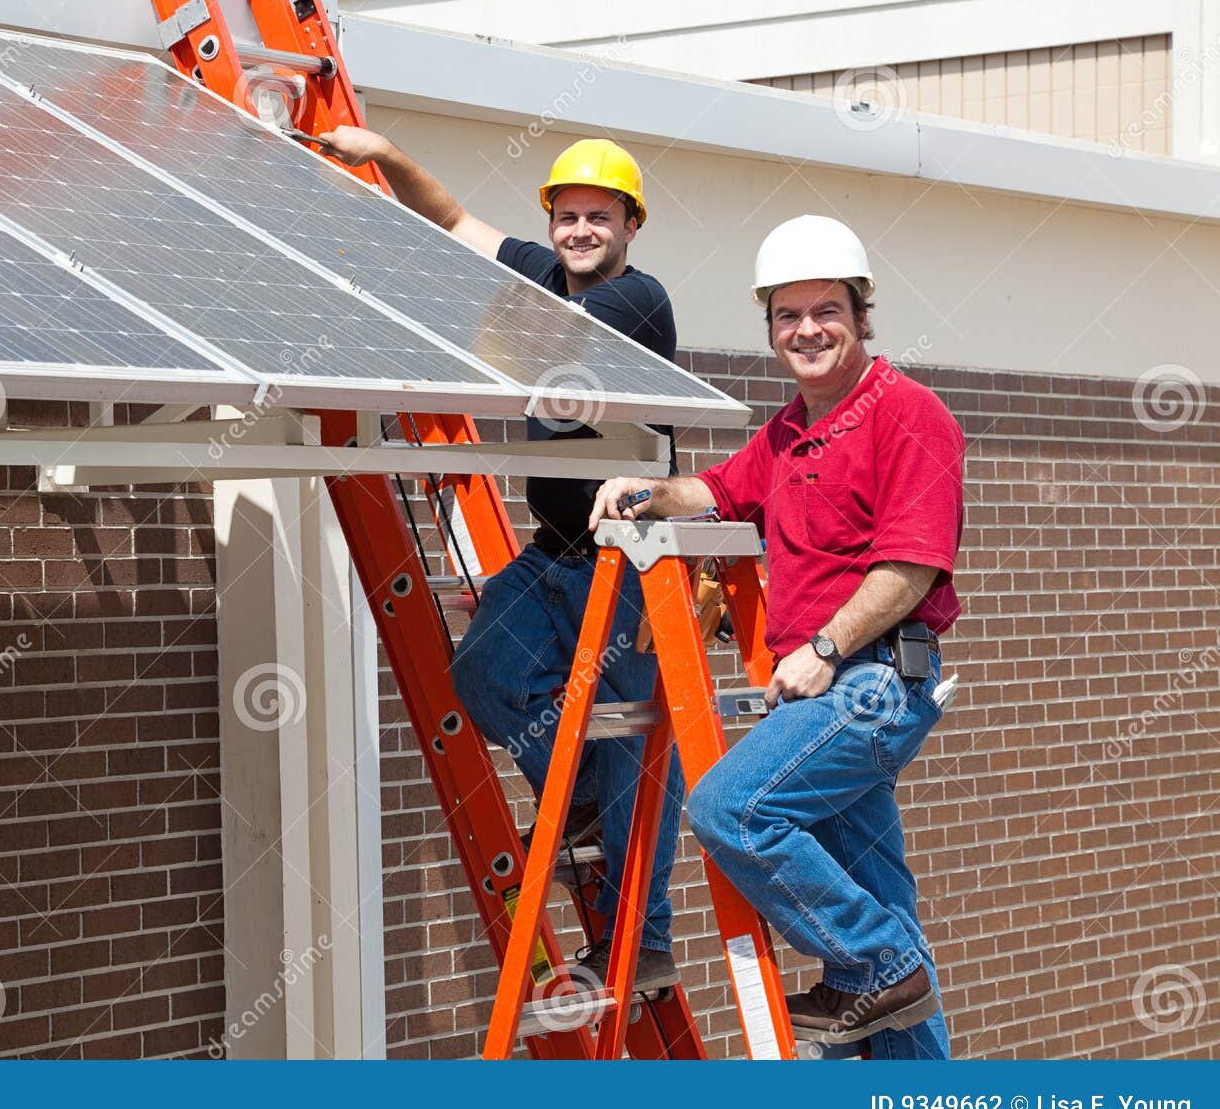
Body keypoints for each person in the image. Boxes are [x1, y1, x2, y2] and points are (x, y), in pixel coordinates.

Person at [315, 126, 685, 992]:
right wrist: (383, 152)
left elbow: (526, 343)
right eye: (567, 214)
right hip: (555, 551)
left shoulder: (638, 300)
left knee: (638, 753)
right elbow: (452, 221)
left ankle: (647, 940)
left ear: (631, 226)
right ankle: (579, 788)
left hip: (629, 564)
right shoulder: (543, 271)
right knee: (483, 670)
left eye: (600, 216)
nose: (580, 229)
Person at [589, 214, 964, 1058]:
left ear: (862, 315)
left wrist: (824, 647)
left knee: (733, 806)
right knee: (880, 908)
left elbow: (910, 570)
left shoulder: (910, 415)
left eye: (825, 310)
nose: (807, 331)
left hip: (871, 684)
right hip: (834, 692)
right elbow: (719, 491)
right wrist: (644, 490)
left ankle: (877, 960)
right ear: (770, 329)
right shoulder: (790, 430)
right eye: (787, 317)